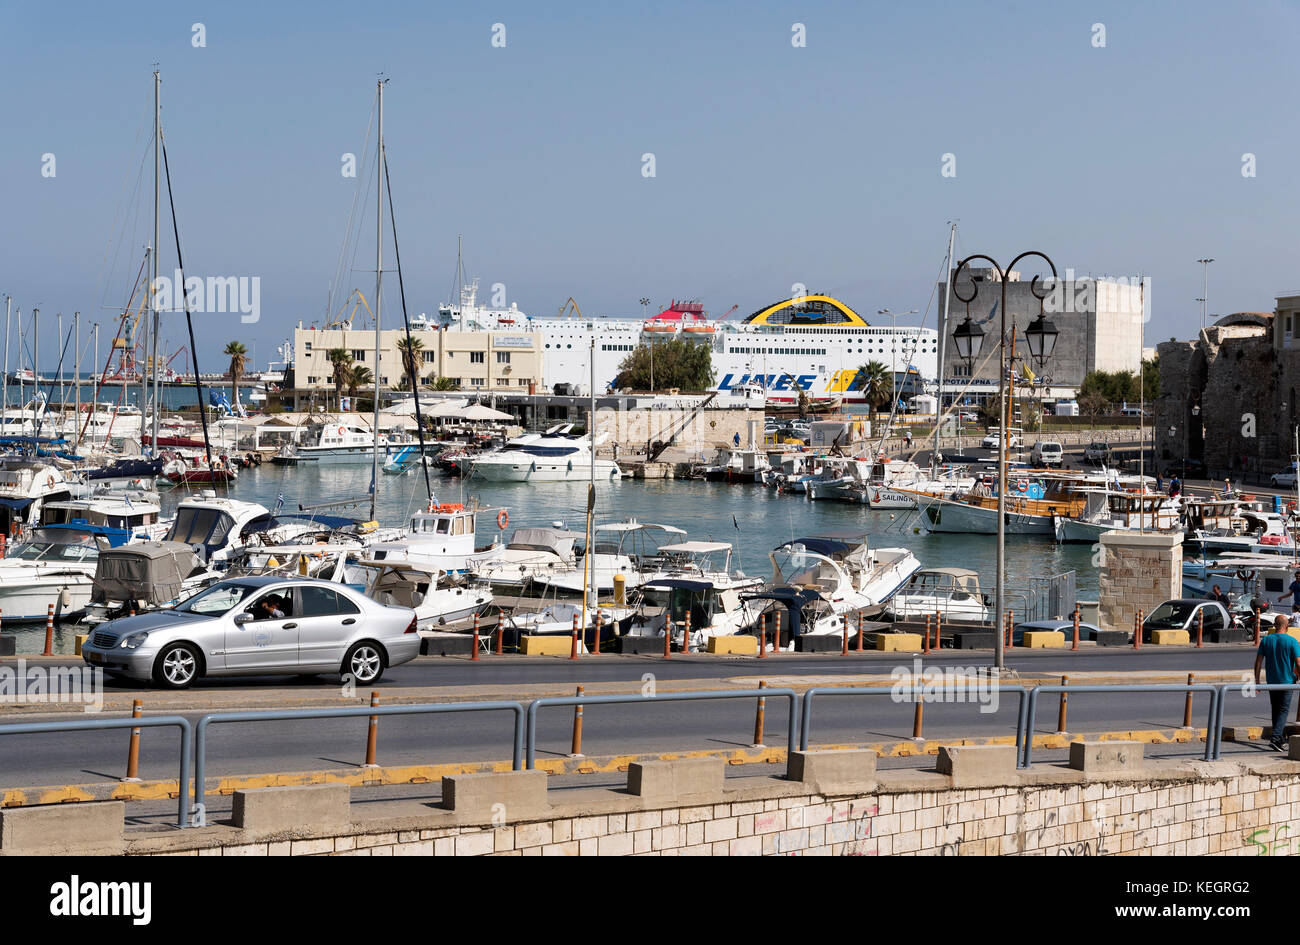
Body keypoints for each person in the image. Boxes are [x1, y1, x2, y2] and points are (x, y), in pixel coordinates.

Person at [1255, 614, 1300, 751]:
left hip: (1272, 682)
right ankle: (1275, 739)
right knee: (1283, 710)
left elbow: (1258, 662)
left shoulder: (1266, 640)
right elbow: (1298, 663)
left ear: (1275, 626)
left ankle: (1279, 738)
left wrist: (1257, 681)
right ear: (1287, 626)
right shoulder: (1292, 641)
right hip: (1287, 682)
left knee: (1276, 709)